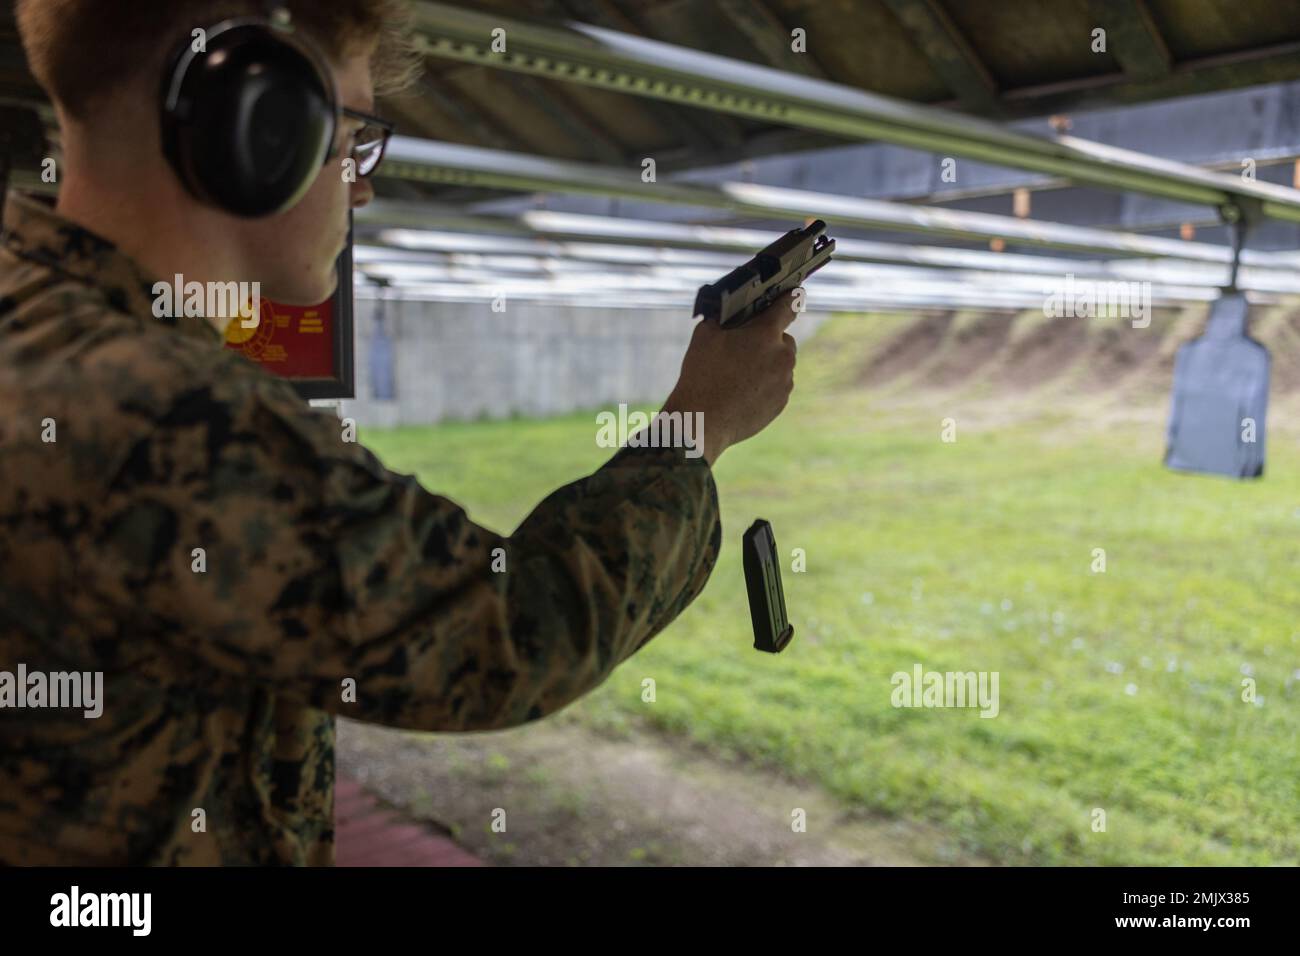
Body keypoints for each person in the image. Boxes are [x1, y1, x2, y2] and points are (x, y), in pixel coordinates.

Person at [0, 0, 800, 864]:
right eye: (352, 139)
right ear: (255, 124)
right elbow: (514, 633)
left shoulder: (34, 318)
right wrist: (698, 427)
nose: (364, 182)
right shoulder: (169, 414)